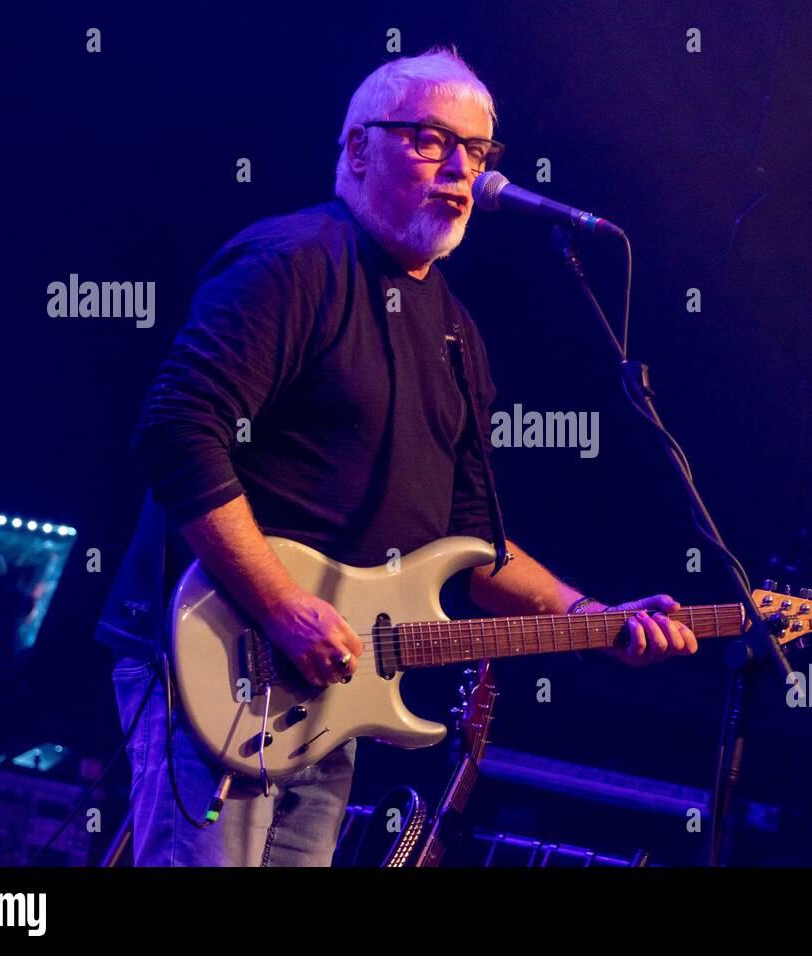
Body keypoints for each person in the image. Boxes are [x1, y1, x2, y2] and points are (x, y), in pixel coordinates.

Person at [101, 46, 696, 867]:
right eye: (429, 140)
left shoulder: (459, 338)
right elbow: (175, 431)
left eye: (479, 152)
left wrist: (590, 618)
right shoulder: (293, 263)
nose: (462, 170)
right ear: (356, 149)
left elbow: (466, 540)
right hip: (214, 652)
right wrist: (279, 605)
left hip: (324, 690)